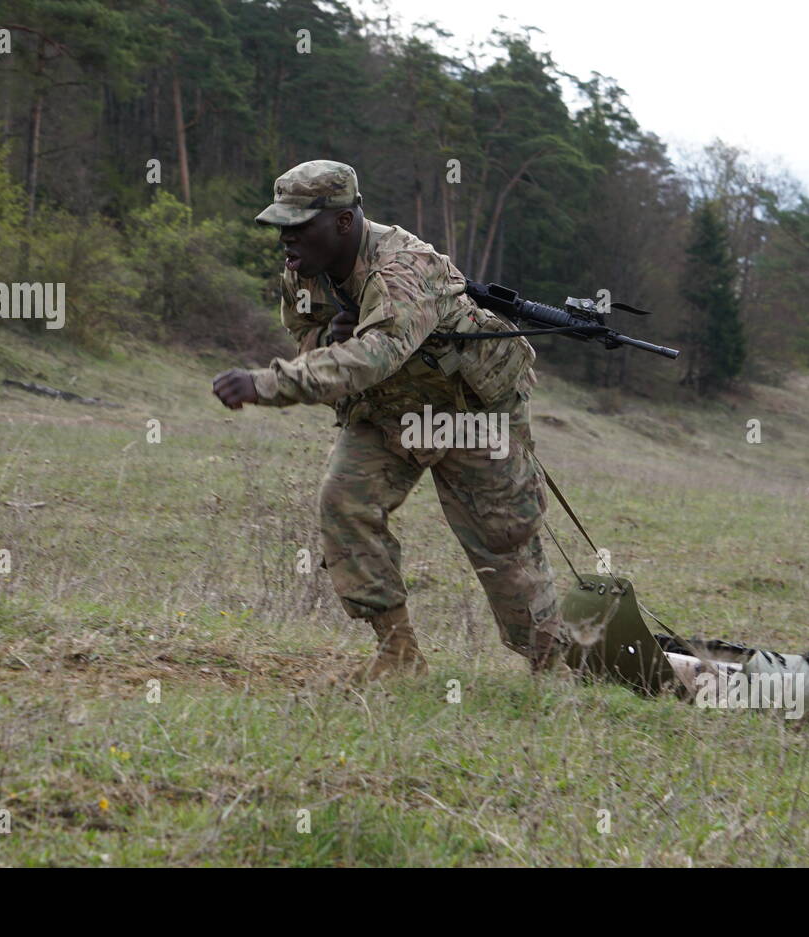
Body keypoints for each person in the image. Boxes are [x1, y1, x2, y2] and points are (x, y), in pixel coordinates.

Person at [212, 159, 571, 684]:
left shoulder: (404, 267)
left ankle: (552, 668)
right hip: (388, 411)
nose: (286, 241)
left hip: (466, 411)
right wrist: (331, 338)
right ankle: (399, 656)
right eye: (280, 227)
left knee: (503, 541)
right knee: (345, 504)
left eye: (298, 226)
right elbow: (311, 339)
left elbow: (376, 355)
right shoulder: (301, 273)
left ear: (341, 222)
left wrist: (266, 383)